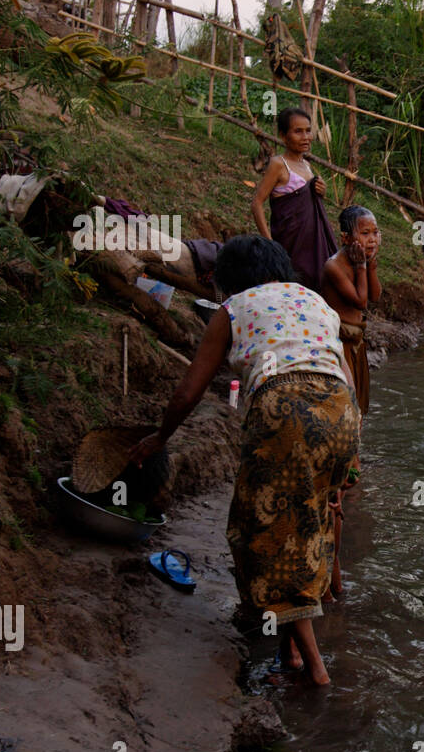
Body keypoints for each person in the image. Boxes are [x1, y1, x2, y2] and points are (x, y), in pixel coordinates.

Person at [129, 235, 358, 686]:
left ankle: (311, 667)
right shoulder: (314, 302)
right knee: (308, 523)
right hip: (341, 410)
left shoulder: (232, 309)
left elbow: (188, 391)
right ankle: (289, 651)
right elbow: (345, 376)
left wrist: (160, 436)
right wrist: (349, 461)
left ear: (228, 280)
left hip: (283, 410)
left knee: (270, 533)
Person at [251, 107, 338, 289]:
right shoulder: (278, 164)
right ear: (283, 136)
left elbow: (309, 201)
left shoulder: (306, 165)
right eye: (298, 131)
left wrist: (321, 191)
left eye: (308, 131)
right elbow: (257, 203)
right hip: (290, 244)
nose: (305, 137)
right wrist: (270, 244)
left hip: (312, 245)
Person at [320, 205, 382, 418]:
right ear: (346, 238)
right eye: (365, 234)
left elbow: (375, 296)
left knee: (360, 407)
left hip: (357, 339)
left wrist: (370, 264)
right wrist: (362, 266)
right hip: (340, 341)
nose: (372, 239)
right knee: (346, 404)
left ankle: (356, 448)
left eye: (375, 232)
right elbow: (361, 302)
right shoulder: (334, 266)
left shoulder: (363, 260)